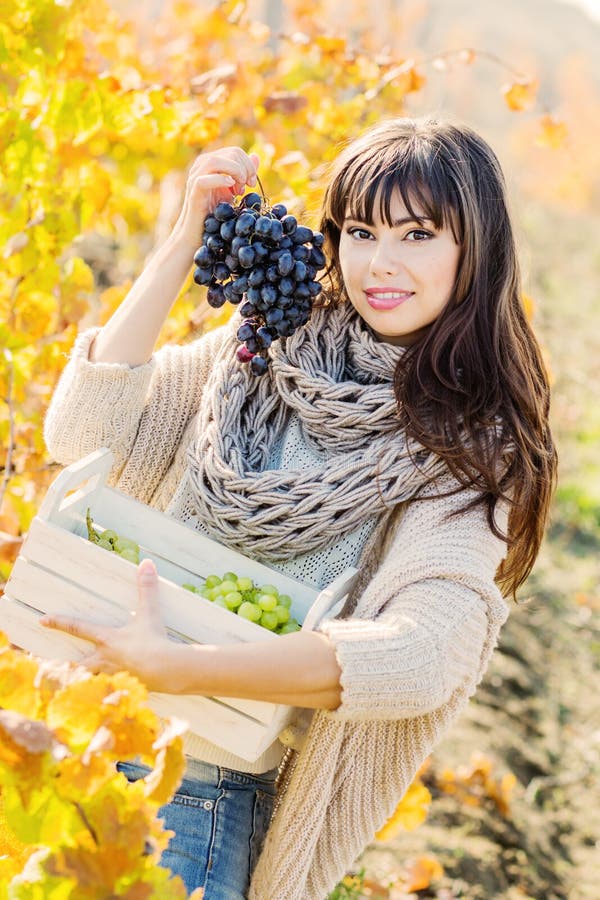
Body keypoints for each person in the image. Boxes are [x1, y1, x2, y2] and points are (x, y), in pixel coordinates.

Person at [41, 116, 557, 900]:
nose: (380, 263)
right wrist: (183, 239)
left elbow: (418, 655)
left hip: (198, 797)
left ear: (473, 251)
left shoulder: (468, 454)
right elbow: (81, 432)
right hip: (77, 735)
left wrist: (186, 669)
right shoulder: (266, 347)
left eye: (418, 235)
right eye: (359, 231)